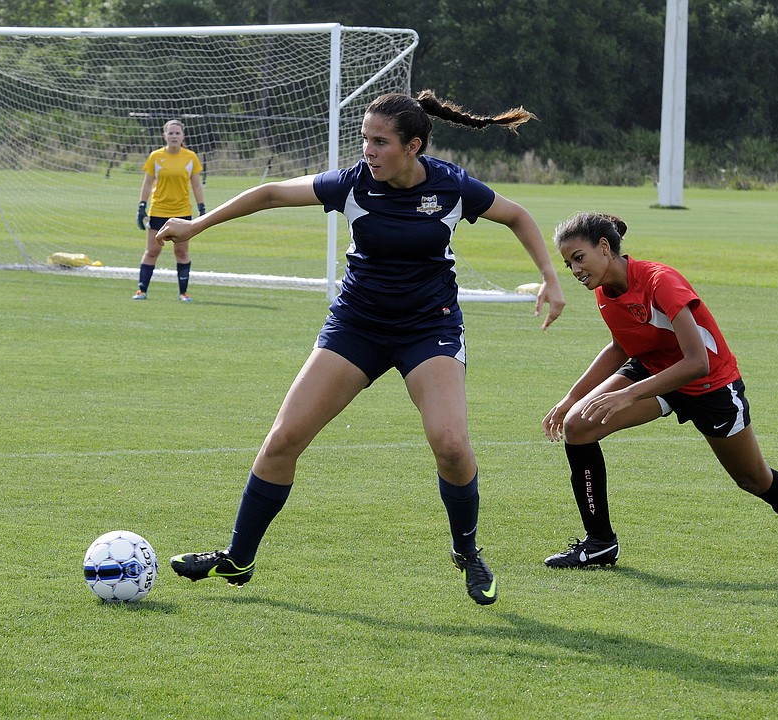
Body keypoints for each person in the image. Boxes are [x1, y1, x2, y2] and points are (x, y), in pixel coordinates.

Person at [155, 90, 566, 605]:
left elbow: (518, 216)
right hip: (357, 327)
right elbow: (269, 194)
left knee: (452, 445)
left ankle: (467, 553)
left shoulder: (451, 186)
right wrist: (197, 224)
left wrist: (549, 277)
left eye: (380, 141)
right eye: (364, 139)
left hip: (428, 328)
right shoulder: (352, 183)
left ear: (413, 146)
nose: (367, 151)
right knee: (283, 440)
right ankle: (238, 558)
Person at [541, 211, 778, 568]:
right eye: (568, 263)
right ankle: (600, 543)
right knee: (579, 426)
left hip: (710, 384)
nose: (574, 271)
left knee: (751, 478)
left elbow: (698, 361)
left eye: (578, 258)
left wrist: (629, 394)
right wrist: (572, 397)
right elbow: (621, 346)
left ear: (604, 247)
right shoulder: (605, 292)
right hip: (655, 369)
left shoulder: (659, 280)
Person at [132, 119, 206, 301]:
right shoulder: (155, 157)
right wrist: (141, 206)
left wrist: (202, 208)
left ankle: (183, 293)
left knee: (181, 252)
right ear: (164, 136)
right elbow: (147, 183)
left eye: (177, 133)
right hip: (158, 210)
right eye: (170, 133)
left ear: (183, 136)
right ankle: (142, 291)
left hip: (181, 211)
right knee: (152, 252)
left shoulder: (191, 157)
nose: (174, 136)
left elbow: (196, 185)